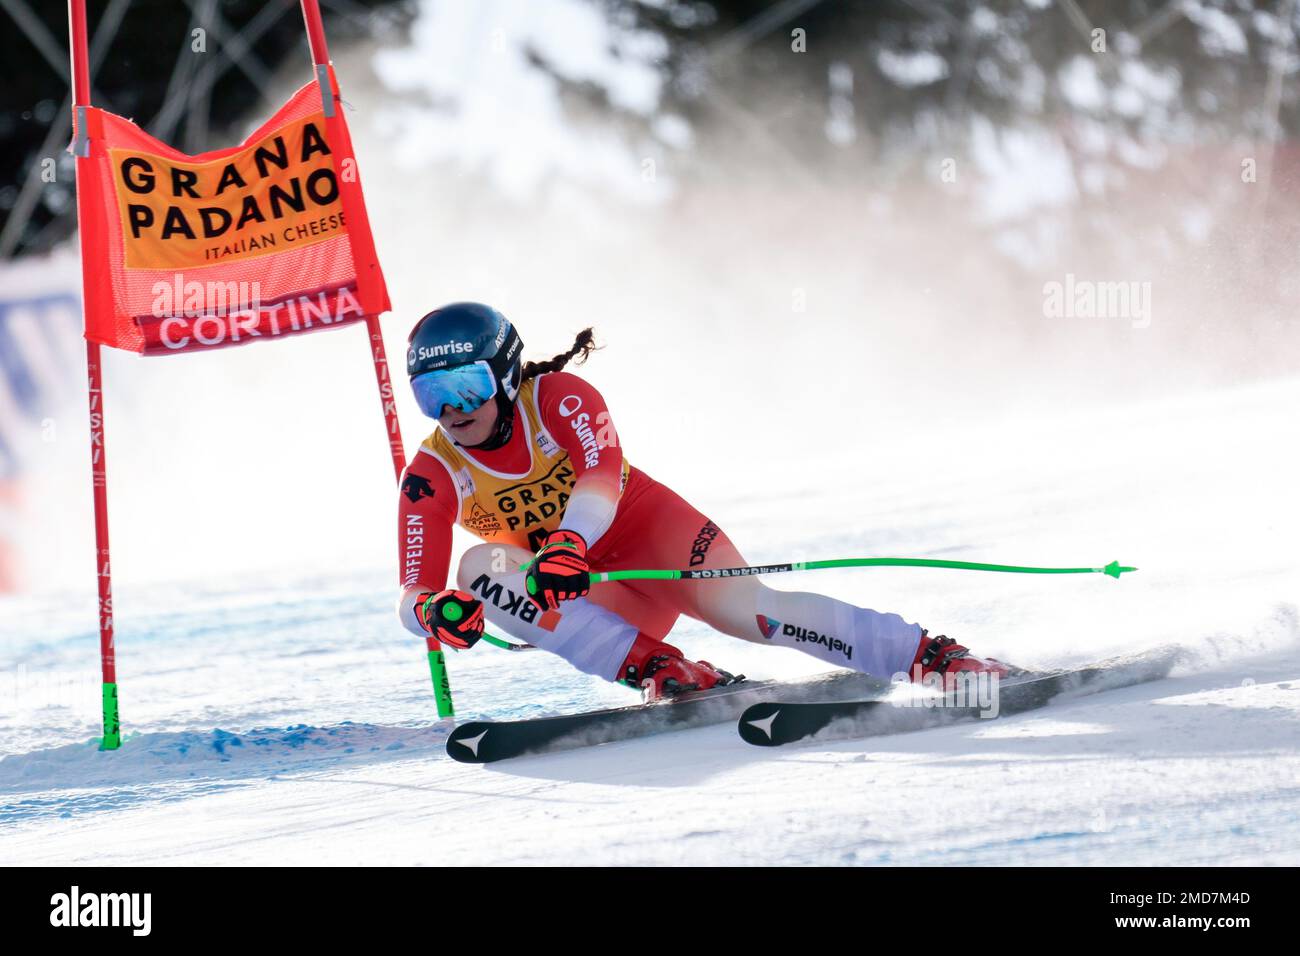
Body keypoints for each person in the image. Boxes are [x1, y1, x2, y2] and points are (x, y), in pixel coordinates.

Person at [396, 302, 1012, 698]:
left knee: (752, 615)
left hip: (655, 542)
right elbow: (412, 594)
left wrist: (569, 542)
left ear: (505, 376)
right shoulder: (433, 471)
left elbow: (601, 476)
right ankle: (662, 669)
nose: (454, 410)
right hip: (587, 594)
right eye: (432, 395)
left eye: (467, 385)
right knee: (478, 570)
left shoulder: (557, 397)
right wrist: (433, 614)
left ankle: (932, 657)